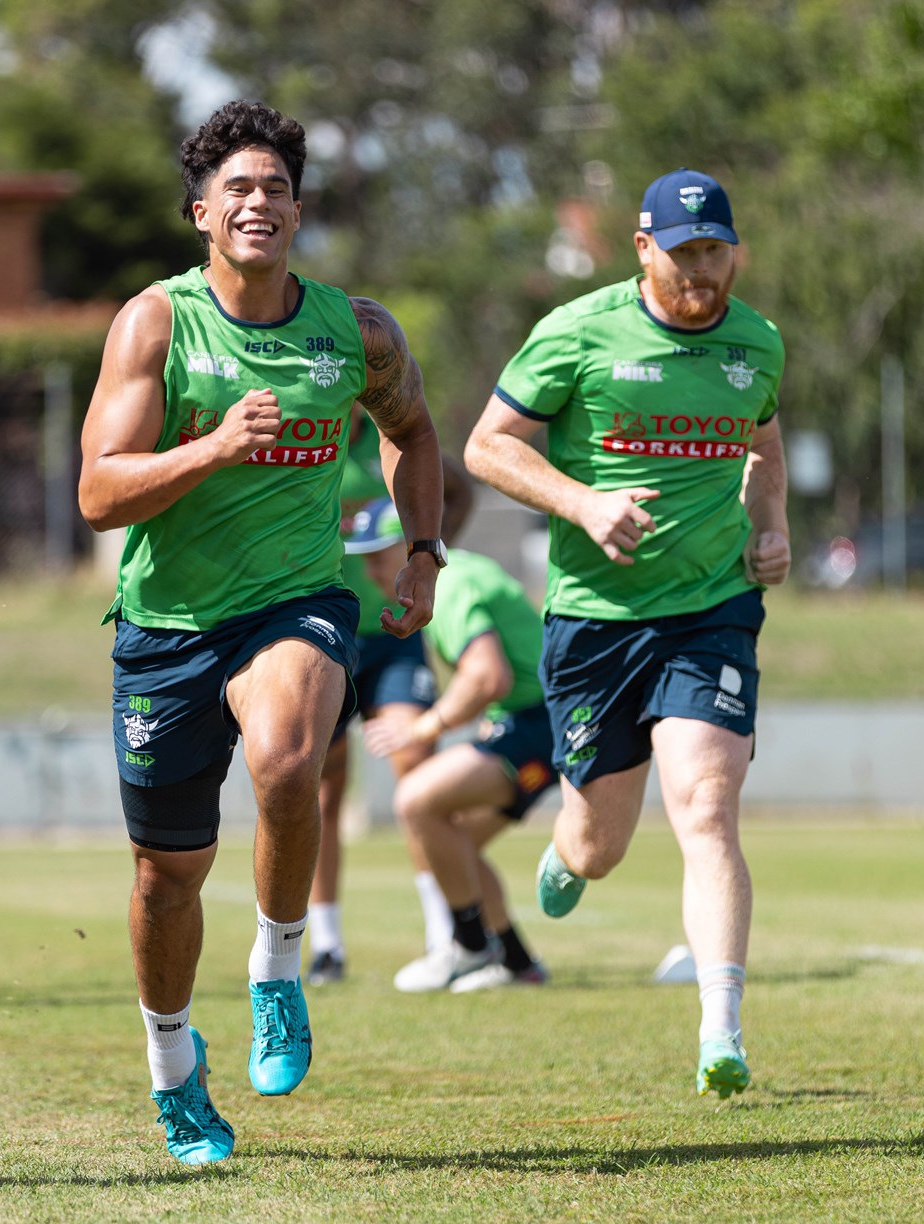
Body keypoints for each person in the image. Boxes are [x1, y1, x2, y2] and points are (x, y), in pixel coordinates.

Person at [78, 99, 444, 1166]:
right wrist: (215, 448)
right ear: (201, 213)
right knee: (165, 878)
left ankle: (281, 970)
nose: (258, 203)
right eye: (236, 188)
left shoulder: (355, 330)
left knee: (291, 762)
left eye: (276, 188)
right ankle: (174, 1073)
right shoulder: (156, 323)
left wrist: (420, 552)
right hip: (166, 627)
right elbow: (99, 495)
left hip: (298, 600)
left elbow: (413, 432)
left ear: (298, 212)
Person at [465, 169, 789, 1099]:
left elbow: (763, 445)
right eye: (684, 253)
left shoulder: (757, 342)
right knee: (601, 842)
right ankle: (569, 851)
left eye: (716, 251)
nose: (703, 271)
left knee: (705, 804)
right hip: (596, 625)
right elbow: (488, 445)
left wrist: (772, 527)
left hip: (712, 612)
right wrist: (583, 502)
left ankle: (719, 1029)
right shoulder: (576, 331)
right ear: (643, 248)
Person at [346, 497, 554, 993]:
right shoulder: (462, 571)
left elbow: (488, 675)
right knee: (455, 838)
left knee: (417, 798)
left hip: (542, 725)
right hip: (537, 721)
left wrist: (422, 729)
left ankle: (469, 947)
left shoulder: (451, 584)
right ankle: (518, 962)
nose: (371, 570)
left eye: (378, 554)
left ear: (409, 546)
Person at [307, 442, 476, 986]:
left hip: (394, 631)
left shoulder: (389, 439)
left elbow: (456, 484)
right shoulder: (305, 426)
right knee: (323, 792)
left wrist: (430, 555)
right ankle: (326, 945)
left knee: (418, 773)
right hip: (323, 631)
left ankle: (443, 933)